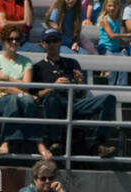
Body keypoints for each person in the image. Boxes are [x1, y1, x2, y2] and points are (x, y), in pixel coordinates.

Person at [32, 29, 117, 158]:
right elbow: (36, 96)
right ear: (43, 44)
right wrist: (53, 87)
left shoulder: (72, 63)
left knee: (109, 98)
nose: (52, 44)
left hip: (76, 102)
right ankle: (55, 143)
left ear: (60, 43)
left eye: (55, 41)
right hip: (55, 104)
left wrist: (80, 83)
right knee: (50, 98)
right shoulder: (38, 67)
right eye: (48, 41)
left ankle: (99, 144)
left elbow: (82, 92)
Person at [0, 25, 53, 159]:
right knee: (16, 99)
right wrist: (21, 91)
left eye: (17, 39)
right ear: (3, 40)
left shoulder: (26, 61)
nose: (13, 42)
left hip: (21, 98)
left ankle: (39, 143)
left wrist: (7, 78)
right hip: (2, 97)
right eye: (10, 39)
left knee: (27, 100)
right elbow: (1, 87)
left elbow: (27, 86)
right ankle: (6, 141)